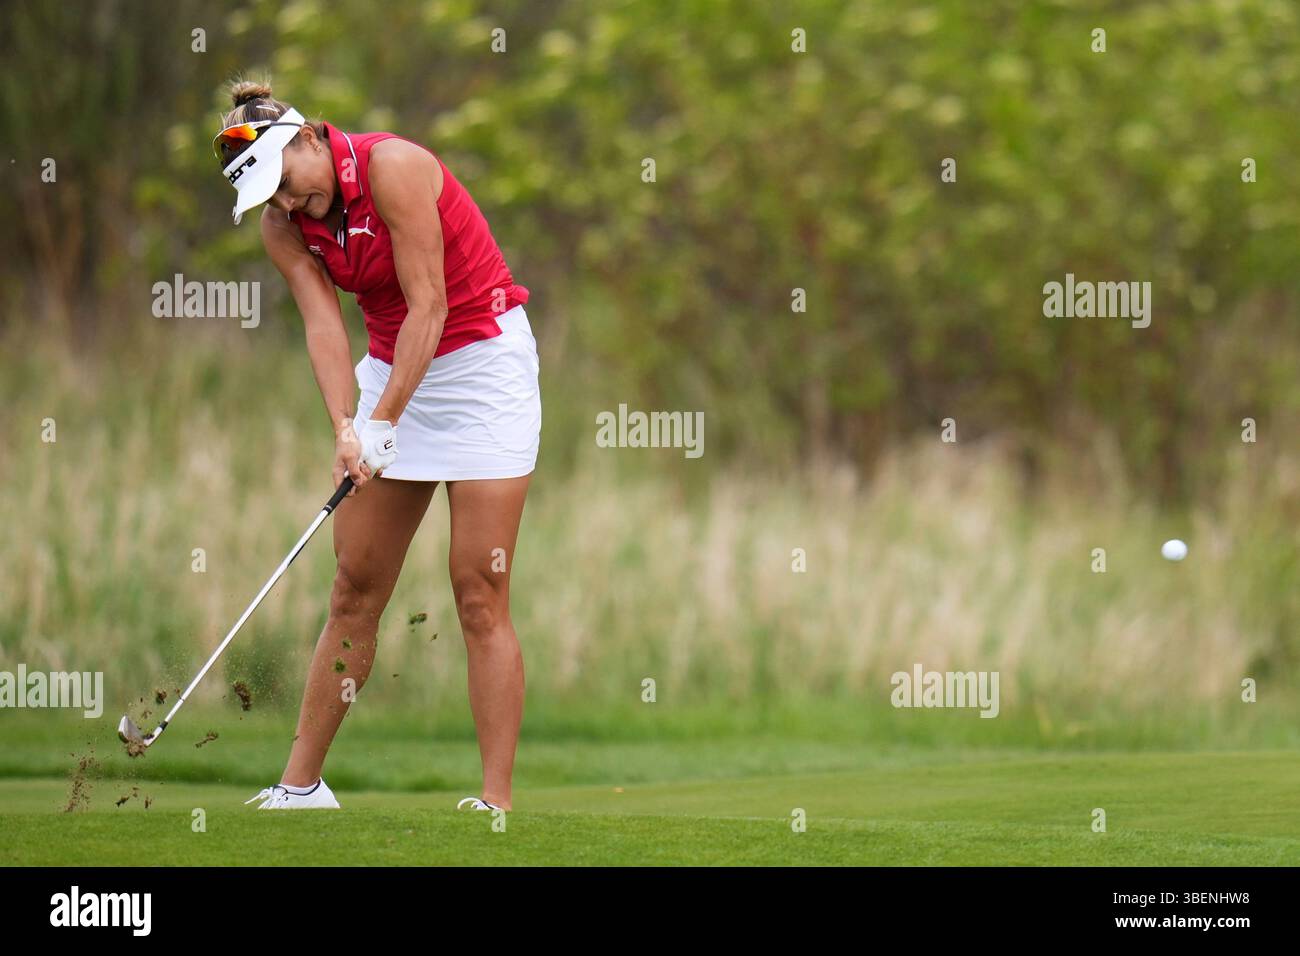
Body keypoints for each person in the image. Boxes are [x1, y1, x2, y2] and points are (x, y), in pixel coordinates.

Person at [212, 80, 539, 812]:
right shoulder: (283, 227)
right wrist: (348, 427)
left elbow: (432, 302)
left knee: (478, 591)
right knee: (355, 586)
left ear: (306, 140)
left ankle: (495, 804)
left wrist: (384, 420)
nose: (288, 205)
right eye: (270, 197)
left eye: (286, 183)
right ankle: (301, 787)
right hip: (394, 373)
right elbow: (325, 329)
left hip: (483, 370)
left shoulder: (394, 167)